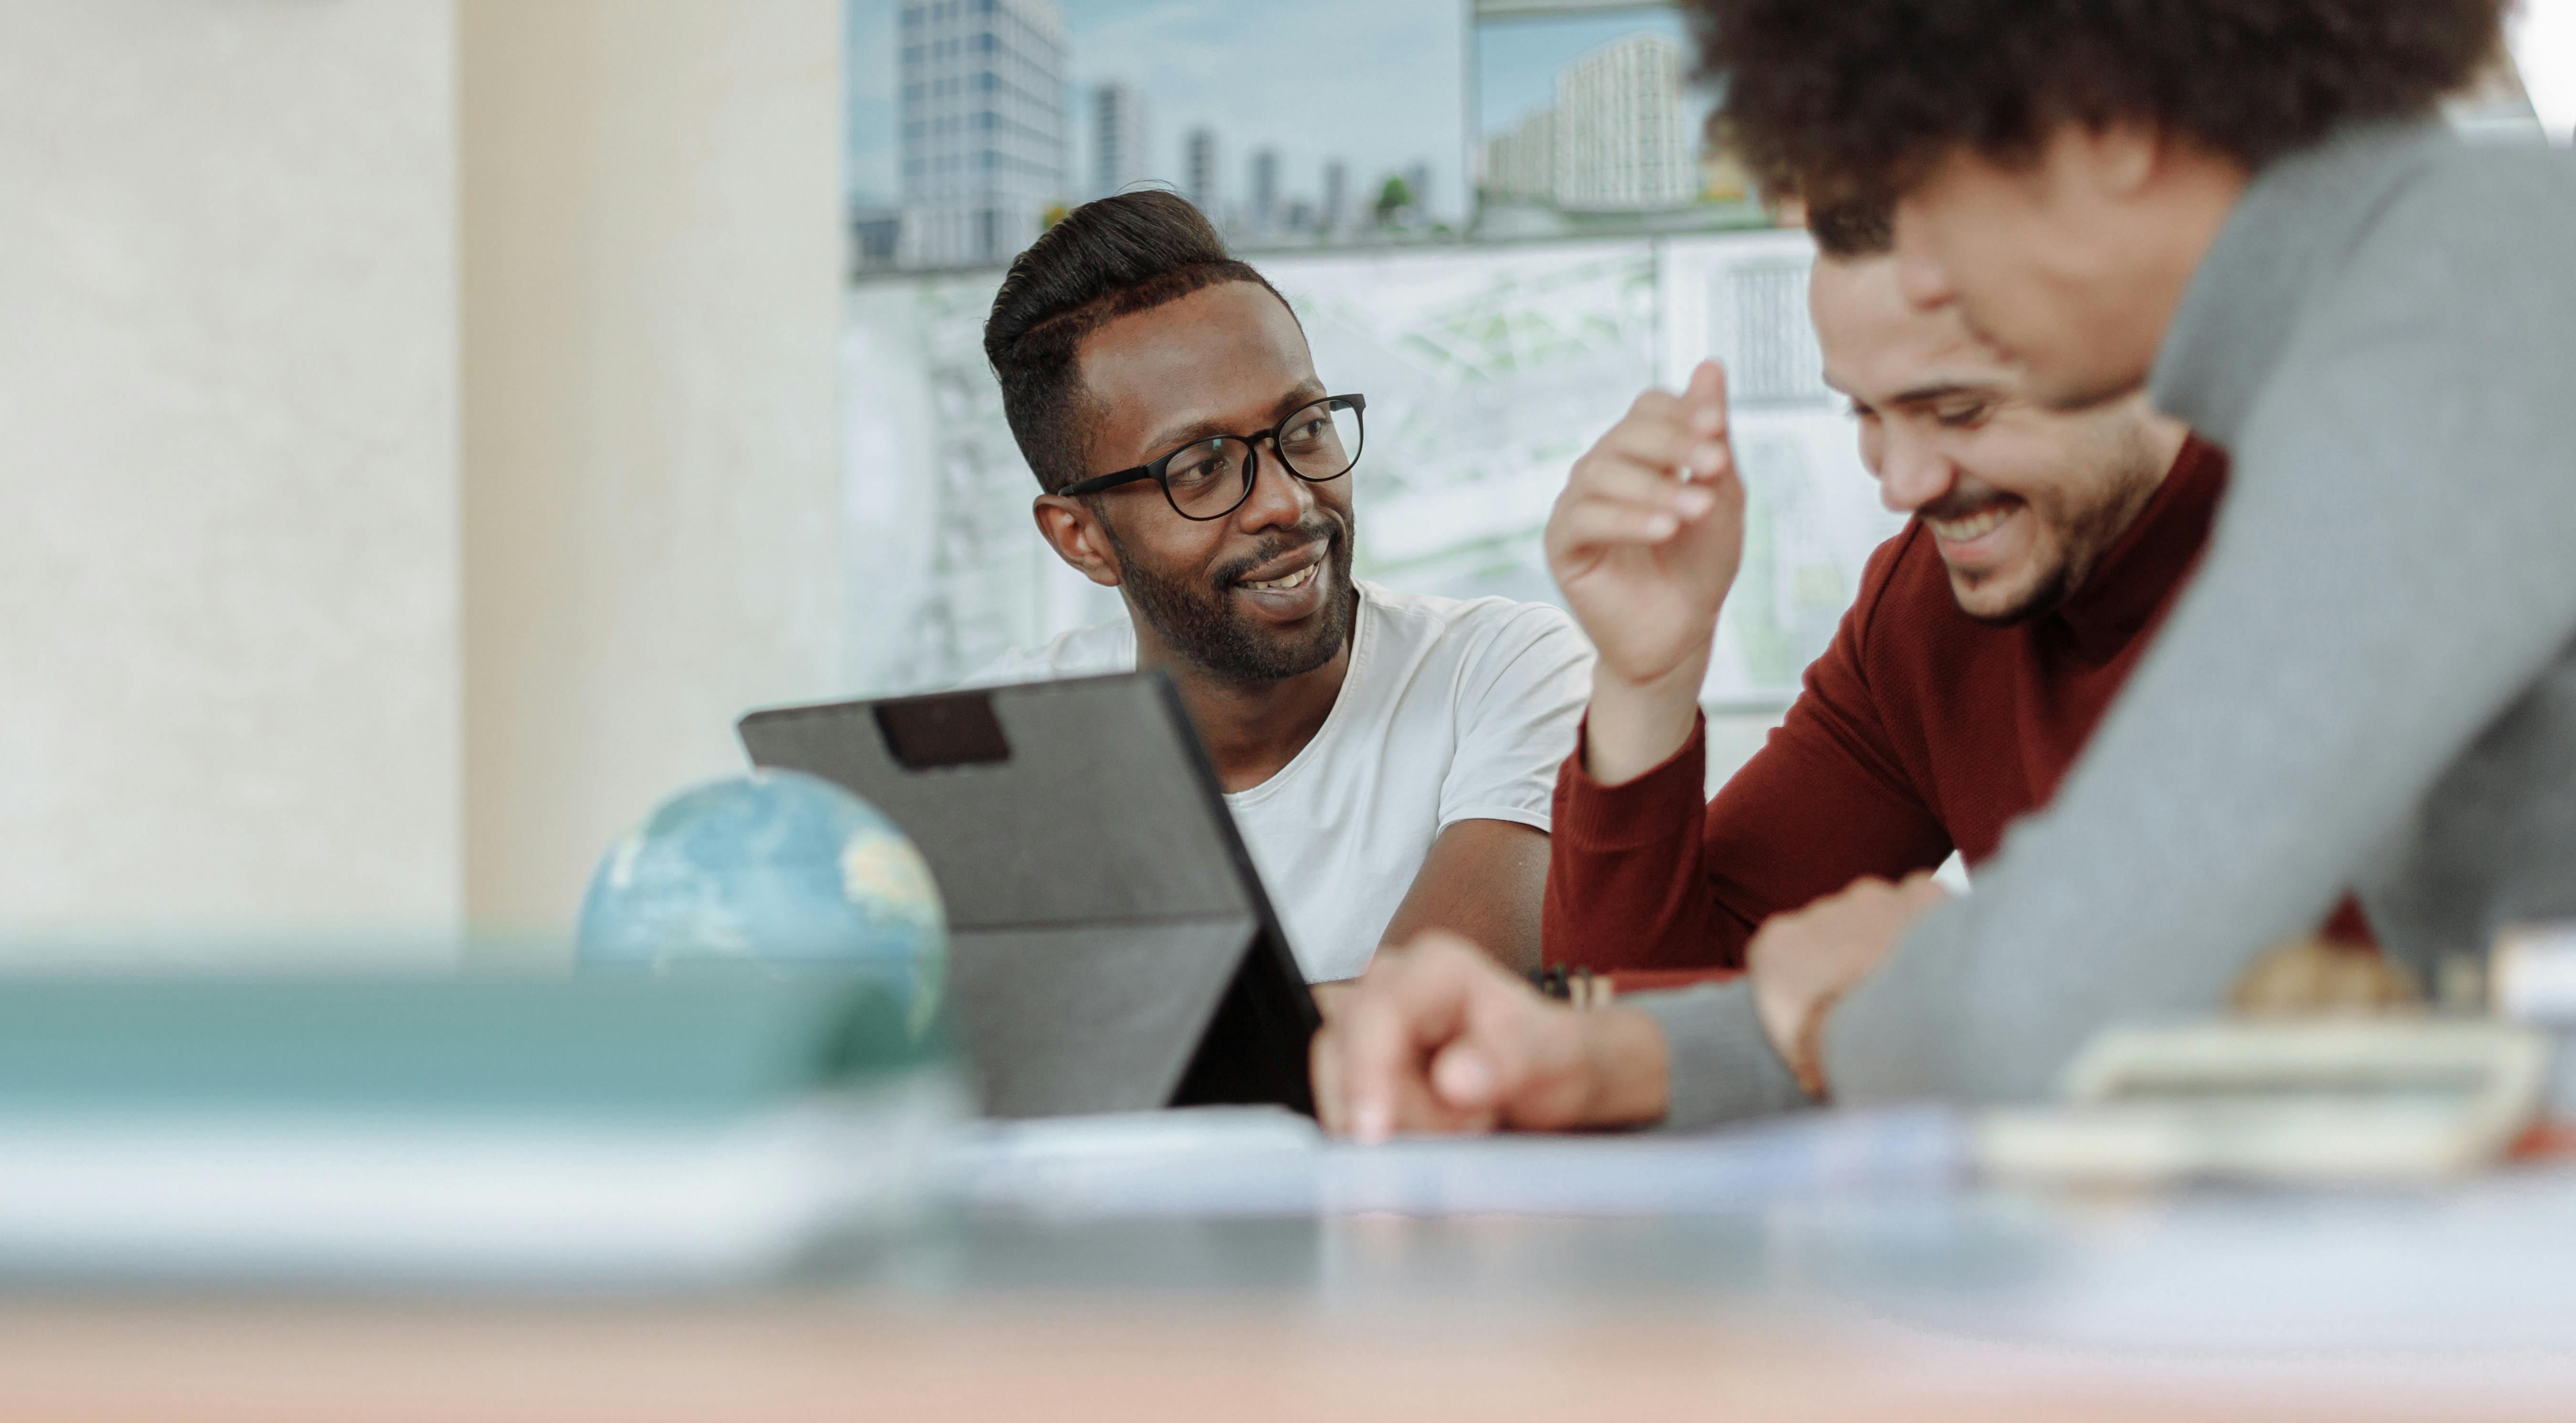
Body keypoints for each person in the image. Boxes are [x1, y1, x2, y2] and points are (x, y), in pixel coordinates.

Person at [1312, 0, 2576, 1141]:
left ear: (2106, 127)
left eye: (1931, 198)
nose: (1921, 274)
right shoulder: (2417, 299)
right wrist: (1596, 1060)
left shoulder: (2473, 301)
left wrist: (1905, 984)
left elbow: (2064, 994)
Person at [1544, 200, 2219, 980]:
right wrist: (1644, 681)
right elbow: (1635, 1023)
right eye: (1865, 410)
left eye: (1959, 411)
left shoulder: (2357, 544)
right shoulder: (1928, 611)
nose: (1901, 485)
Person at [974, 190, 1592, 984]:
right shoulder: (1006, 740)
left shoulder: (1502, 672)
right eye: (1199, 468)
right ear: (1081, 538)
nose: (1287, 501)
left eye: (1304, 428)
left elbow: (1427, 1023)